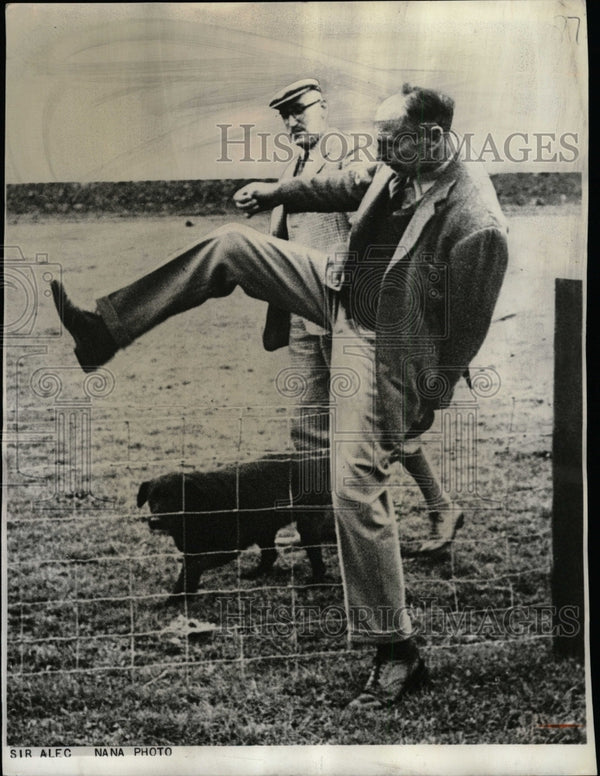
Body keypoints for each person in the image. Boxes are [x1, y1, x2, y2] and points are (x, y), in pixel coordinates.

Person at [51, 83, 509, 709]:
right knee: (232, 246)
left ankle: (396, 651)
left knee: (352, 490)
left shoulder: (477, 221)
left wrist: (427, 401)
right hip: (341, 290)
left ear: (431, 138)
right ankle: (104, 329)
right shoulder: (398, 160)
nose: (375, 148)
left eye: (388, 138)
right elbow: (350, 184)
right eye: (376, 136)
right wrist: (277, 191)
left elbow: (466, 331)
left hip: (387, 347)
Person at [264, 78, 461, 556]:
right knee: (309, 426)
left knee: (371, 429)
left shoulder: (357, 159)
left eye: (300, 110)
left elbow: (373, 232)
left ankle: (439, 508)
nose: (292, 121)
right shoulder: (292, 165)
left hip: (349, 310)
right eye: (284, 114)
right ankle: (317, 529)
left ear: (323, 108)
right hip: (302, 314)